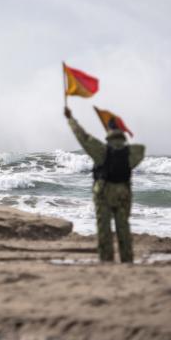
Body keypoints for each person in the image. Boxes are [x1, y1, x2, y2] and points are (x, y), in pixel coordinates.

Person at [64, 107, 145, 263]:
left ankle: (106, 261)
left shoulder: (101, 151)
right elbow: (133, 156)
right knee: (123, 229)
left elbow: (83, 137)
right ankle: (127, 260)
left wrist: (71, 119)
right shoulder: (134, 152)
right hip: (123, 193)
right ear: (122, 133)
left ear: (108, 133)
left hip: (104, 193)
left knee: (104, 230)